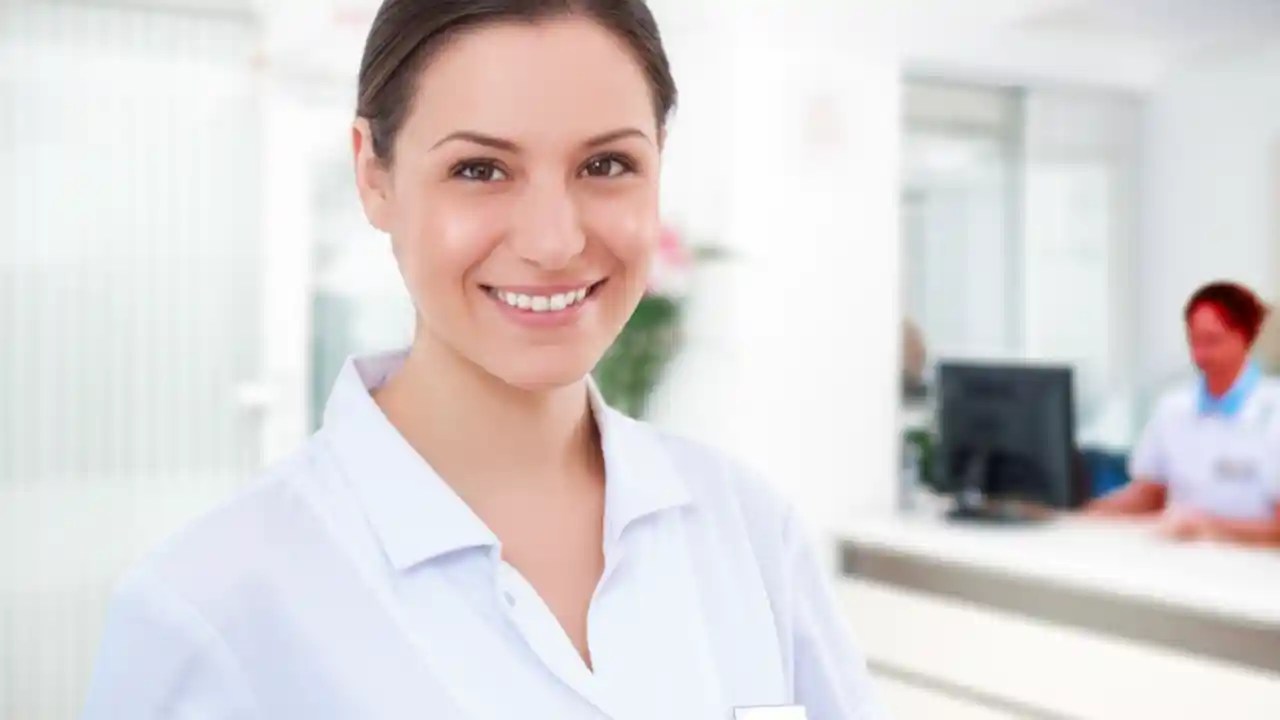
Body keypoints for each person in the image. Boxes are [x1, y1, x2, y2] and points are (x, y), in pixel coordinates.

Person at [80, 2, 884, 718]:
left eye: (606, 165)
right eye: (480, 169)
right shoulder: (209, 611)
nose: (554, 240)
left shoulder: (750, 533)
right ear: (374, 174)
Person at [1085, 281, 1280, 547]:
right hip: (1178, 564)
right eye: (1194, 340)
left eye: (1212, 341)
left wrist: (1209, 527)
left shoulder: (1272, 410)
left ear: (1244, 338)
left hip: (1254, 572)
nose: (1200, 355)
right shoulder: (1173, 407)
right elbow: (1148, 495)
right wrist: (1082, 515)